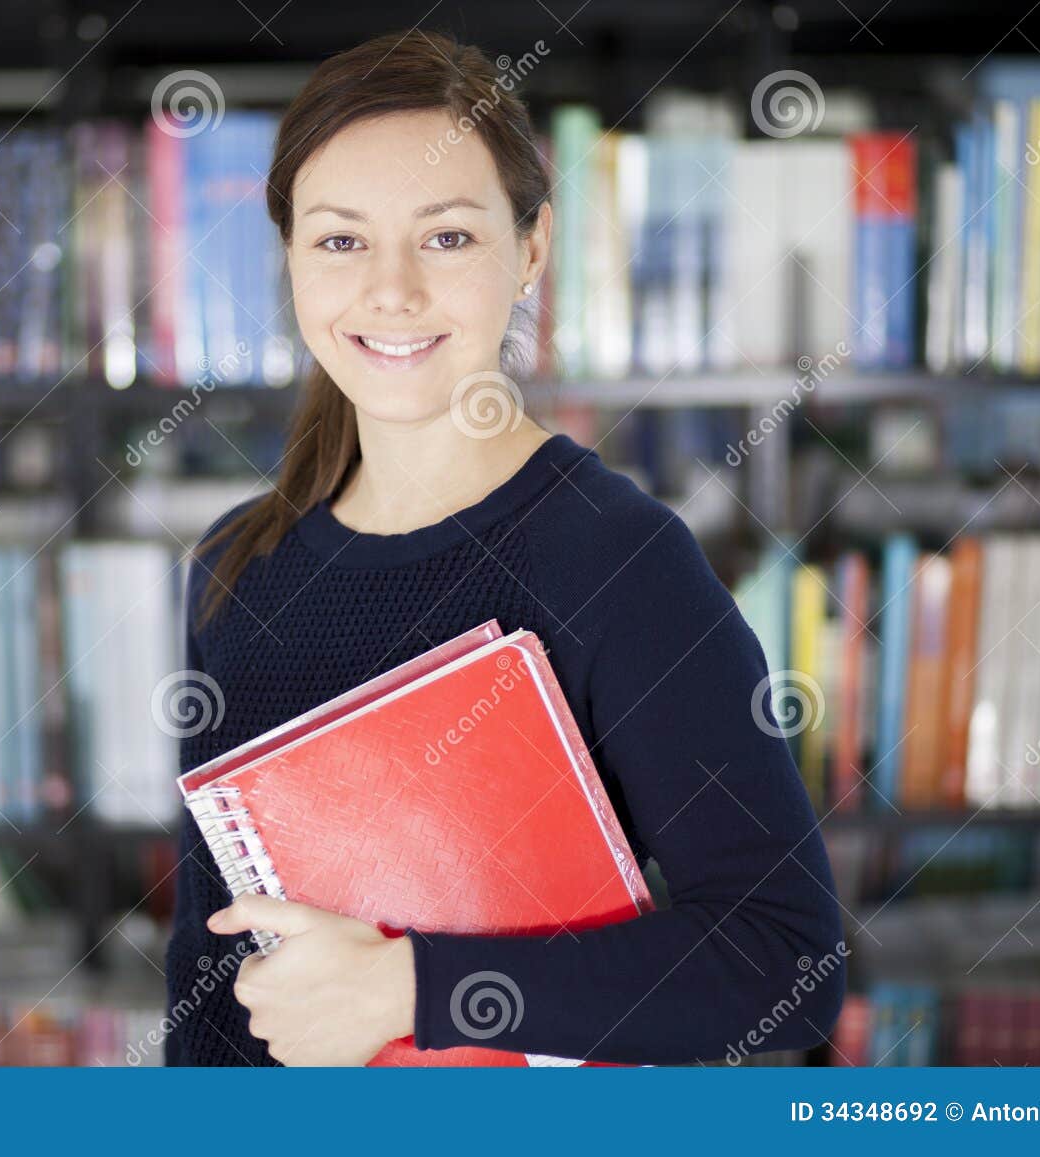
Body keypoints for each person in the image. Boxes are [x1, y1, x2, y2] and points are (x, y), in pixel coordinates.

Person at [163, 28, 846, 1066]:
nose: (390, 289)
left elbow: (783, 962)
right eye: (340, 240)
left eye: (445, 237)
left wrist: (411, 985)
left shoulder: (617, 560)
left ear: (530, 250)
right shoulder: (235, 568)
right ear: (291, 256)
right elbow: (211, 981)